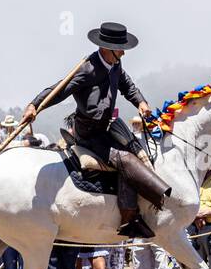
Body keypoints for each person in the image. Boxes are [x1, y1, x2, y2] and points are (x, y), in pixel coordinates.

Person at [21, 21, 164, 239]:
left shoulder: (116, 66)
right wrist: (35, 105)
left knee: (138, 150)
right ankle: (130, 219)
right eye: (120, 49)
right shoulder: (87, 69)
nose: (124, 53)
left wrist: (141, 103)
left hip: (107, 128)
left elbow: (128, 86)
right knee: (124, 160)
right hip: (89, 133)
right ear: (107, 48)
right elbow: (60, 90)